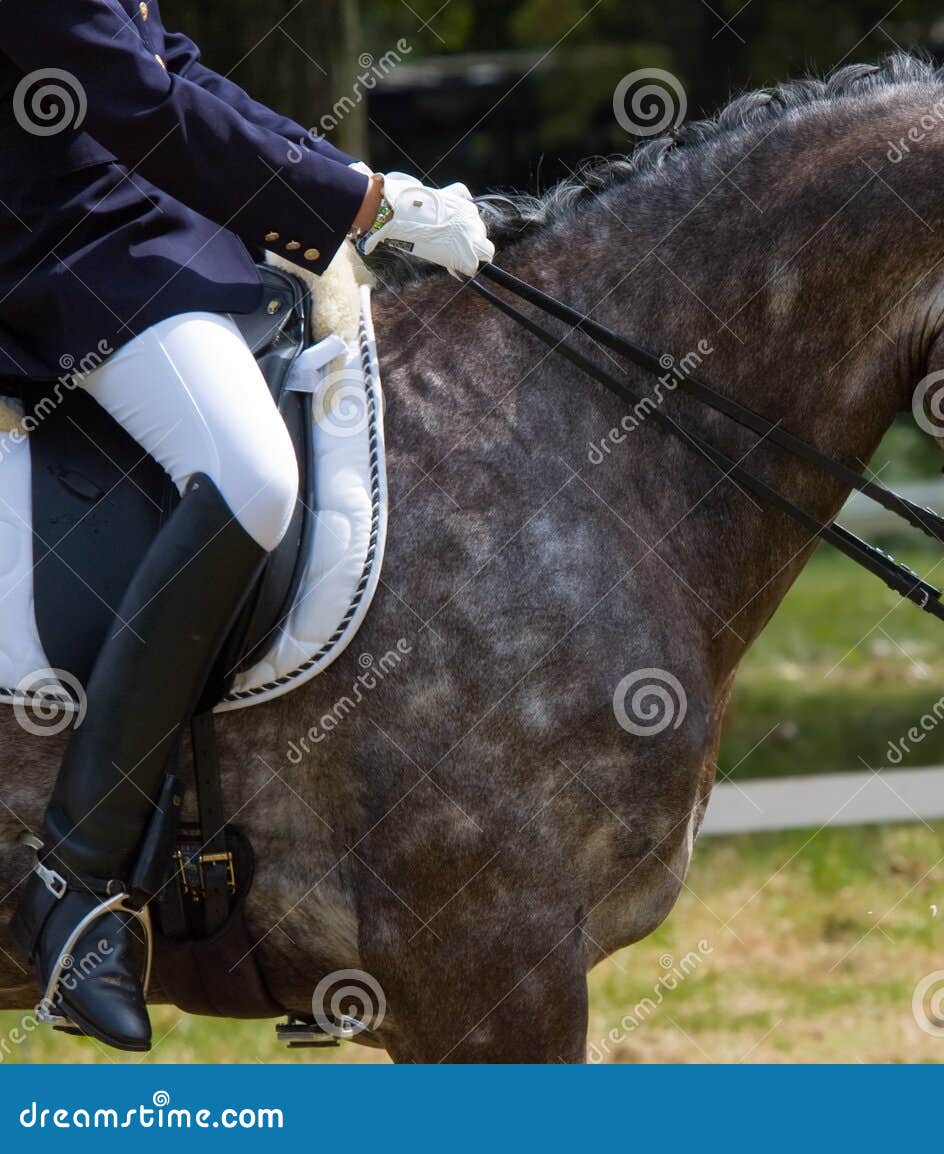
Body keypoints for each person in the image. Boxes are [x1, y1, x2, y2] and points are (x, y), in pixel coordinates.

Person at [0, 1, 493, 1051]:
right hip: (61, 250)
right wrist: (359, 202)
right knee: (250, 474)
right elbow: (130, 99)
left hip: (142, 228)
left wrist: (356, 188)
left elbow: (168, 61)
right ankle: (72, 882)